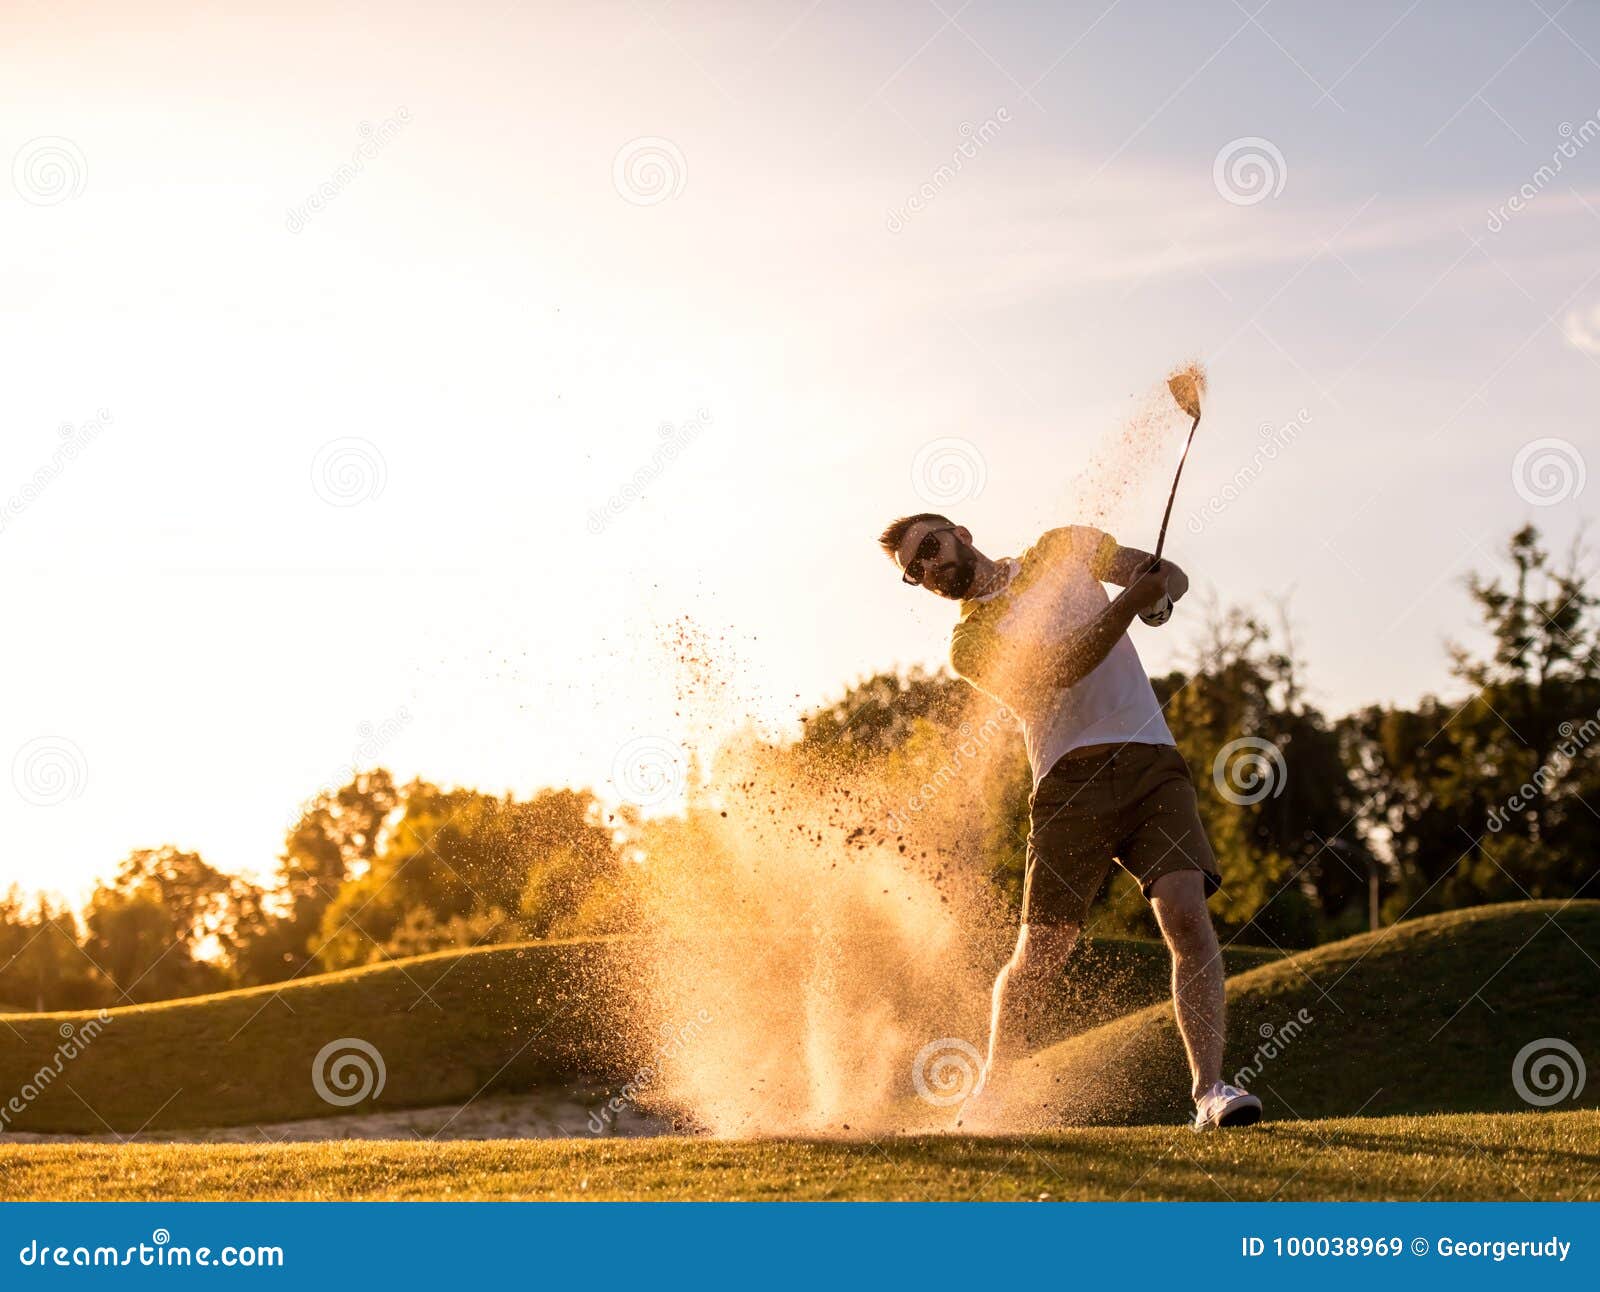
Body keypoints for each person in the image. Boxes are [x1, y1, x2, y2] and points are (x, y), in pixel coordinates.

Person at [880, 512, 1261, 1130]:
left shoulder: (1064, 547)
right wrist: (1131, 602)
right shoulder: (969, 644)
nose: (927, 568)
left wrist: (1158, 595)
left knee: (1187, 914)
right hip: (1067, 784)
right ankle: (993, 1096)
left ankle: (1210, 1091)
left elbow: (1166, 576)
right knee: (1042, 953)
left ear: (962, 533)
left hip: (1151, 762)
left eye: (929, 546)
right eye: (913, 571)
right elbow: (1059, 669)